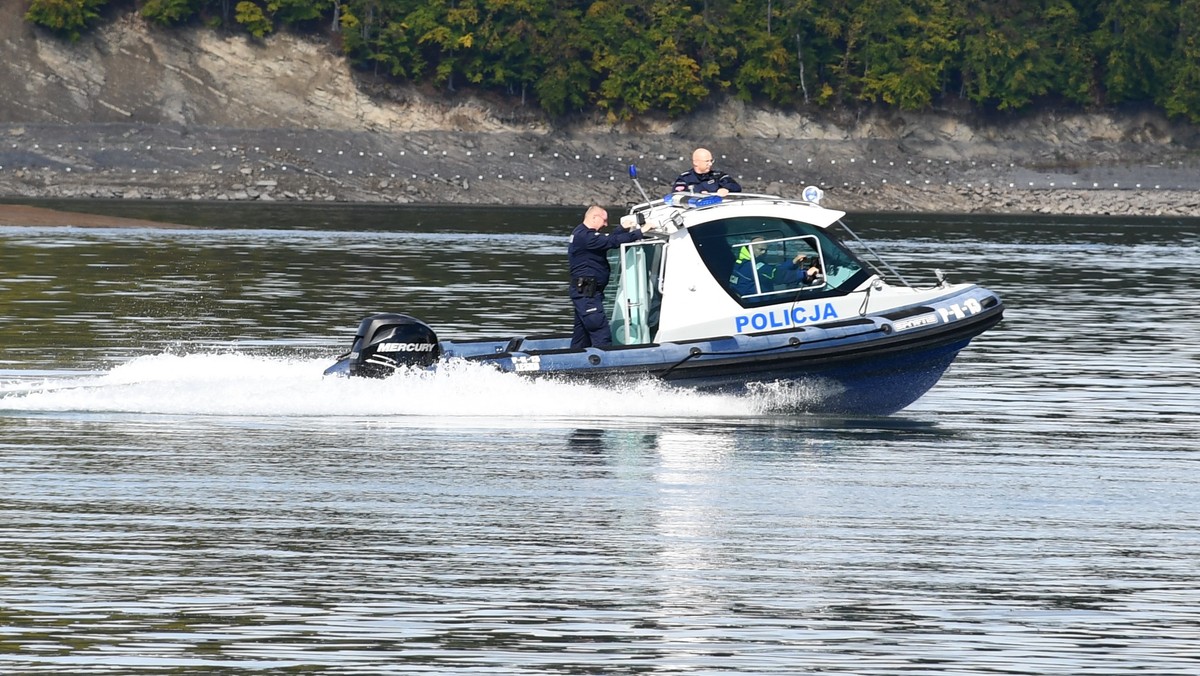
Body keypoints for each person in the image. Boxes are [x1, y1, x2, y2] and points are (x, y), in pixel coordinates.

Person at [568, 205, 648, 349]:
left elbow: (607, 239)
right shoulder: (586, 237)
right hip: (587, 293)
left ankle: (574, 362)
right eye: (604, 220)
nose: (606, 224)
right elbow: (611, 242)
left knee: (582, 334)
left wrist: (622, 228)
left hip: (586, 291)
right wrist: (640, 232)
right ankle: (606, 367)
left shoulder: (582, 233)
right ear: (594, 218)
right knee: (600, 330)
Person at [729, 237, 821, 296]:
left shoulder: (743, 261)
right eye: (761, 249)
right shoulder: (751, 266)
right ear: (750, 248)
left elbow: (771, 271)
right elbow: (777, 276)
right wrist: (806, 273)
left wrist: (793, 262)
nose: (764, 252)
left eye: (766, 250)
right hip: (759, 304)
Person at [672, 147, 741, 196]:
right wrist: (698, 194)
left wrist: (726, 189)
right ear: (696, 162)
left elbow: (735, 186)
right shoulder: (685, 178)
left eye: (711, 161)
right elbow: (677, 193)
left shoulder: (717, 176)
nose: (710, 164)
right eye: (707, 161)